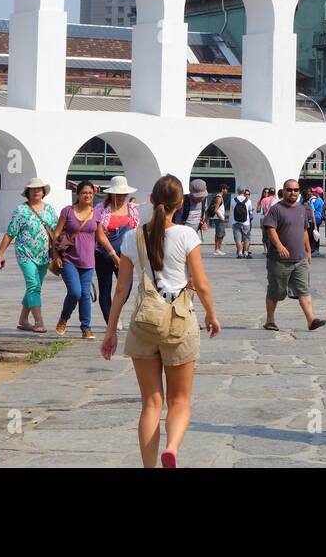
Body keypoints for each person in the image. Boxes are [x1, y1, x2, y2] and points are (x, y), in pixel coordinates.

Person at [101, 174, 220, 469]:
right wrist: (211, 315)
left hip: (144, 323)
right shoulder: (187, 235)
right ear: (180, 204)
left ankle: (149, 466)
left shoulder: (132, 236)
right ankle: (172, 448)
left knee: (151, 403)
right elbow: (201, 284)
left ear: (152, 200)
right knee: (179, 401)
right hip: (179, 321)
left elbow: (121, 289)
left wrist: (111, 331)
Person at [261, 179, 326, 332]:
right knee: (275, 291)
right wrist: (279, 246)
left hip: (300, 258)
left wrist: (308, 250)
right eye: (289, 190)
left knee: (303, 290)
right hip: (279, 260)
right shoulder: (276, 209)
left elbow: (304, 231)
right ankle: (270, 320)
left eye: (296, 190)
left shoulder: (302, 209)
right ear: (283, 191)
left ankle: (311, 320)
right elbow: (270, 229)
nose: (293, 193)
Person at [0, 177, 57, 333]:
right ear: (28, 193)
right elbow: (10, 233)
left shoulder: (50, 210)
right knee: (33, 286)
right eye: (33, 189)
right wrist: (0, 253)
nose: (36, 191)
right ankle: (39, 321)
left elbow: (56, 232)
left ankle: (23, 320)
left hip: (44, 255)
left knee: (35, 286)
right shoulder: (21, 210)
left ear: (43, 192)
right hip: (25, 254)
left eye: (39, 189)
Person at [51, 181, 112, 339]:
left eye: (91, 193)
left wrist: (113, 254)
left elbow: (100, 236)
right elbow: (56, 234)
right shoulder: (67, 211)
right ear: (78, 194)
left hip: (88, 261)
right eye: (85, 193)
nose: (88, 196)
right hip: (68, 259)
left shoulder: (96, 213)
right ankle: (64, 318)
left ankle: (86, 328)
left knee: (85, 294)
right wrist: (56, 255)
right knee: (75, 292)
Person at [98, 176, 139, 327]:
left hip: (126, 255)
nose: (121, 197)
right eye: (118, 194)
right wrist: (113, 254)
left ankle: (115, 311)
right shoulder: (101, 209)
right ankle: (111, 320)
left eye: (124, 194)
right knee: (105, 287)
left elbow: (136, 231)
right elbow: (99, 233)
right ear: (111, 194)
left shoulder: (132, 209)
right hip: (103, 254)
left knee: (126, 287)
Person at [231, 188, 254, 259]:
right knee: (246, 239)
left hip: (236, 222)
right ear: (244, 192)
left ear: (237, 192)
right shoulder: (248, 201)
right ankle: (246, 253)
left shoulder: (233, 200)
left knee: (238, 239)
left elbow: (232, 209)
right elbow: (250, 211)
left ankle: (240, 253)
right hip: (246, 222)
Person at [211, 187, 228, 255]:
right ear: (222, 189)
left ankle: (218, 249)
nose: (227, 190)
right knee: (220, 234)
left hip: (218, 218)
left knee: (220, 234)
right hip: (219, 219)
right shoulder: (219, 198)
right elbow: (216, 210)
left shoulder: (219, 197)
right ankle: (217, 249)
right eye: (226, 189)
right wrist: (222, 218)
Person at [309, 188, 325, 255]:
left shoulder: (318, 200)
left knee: (314, 233)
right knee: (316, 232)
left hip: (316, 218)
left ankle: (315, 248)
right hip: (318, 217)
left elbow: (313, 208)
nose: (313, 193)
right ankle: (315, 248)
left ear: (317, 193)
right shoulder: (320, 200)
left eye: (315, 192)